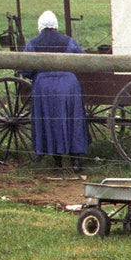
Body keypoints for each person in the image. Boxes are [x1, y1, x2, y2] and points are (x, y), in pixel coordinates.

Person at [20, 11, 88, 171]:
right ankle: (76, 162)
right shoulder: (68, 41)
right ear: (56, 25)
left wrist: (35, 74)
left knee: (50, 121)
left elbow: (24, 68)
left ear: (40, 26)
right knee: (73, 119)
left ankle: (57, 162)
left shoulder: (32, 43)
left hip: (44, 86)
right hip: (68, 84)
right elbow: (83, 59)